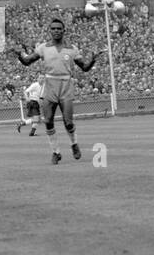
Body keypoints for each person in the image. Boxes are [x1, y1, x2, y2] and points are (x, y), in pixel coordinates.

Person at [16, 18, 99, 164]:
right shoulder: (43, 47)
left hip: (66, 85)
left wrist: (92, 60)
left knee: (68, 122)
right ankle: (56, 152)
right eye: (53, 28)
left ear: (63, 30)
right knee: (48, 121)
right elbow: (28, 62)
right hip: (49, 85)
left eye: (59, 28)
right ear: (50, 31)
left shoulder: (72, 49)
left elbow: (84, 67)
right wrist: (19, 55)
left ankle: (74, 144)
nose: (56, 31)